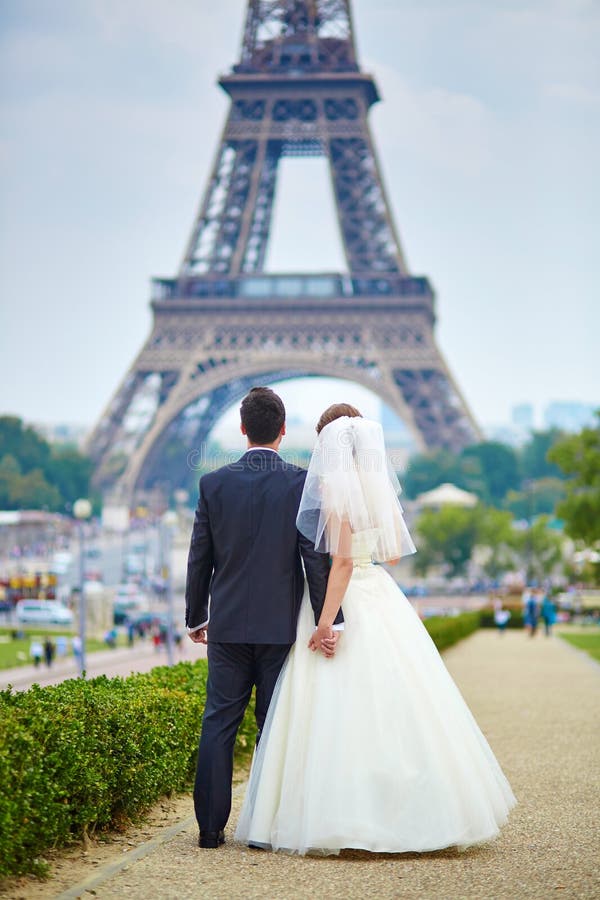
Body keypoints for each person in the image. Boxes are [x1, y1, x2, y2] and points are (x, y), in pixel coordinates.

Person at [235, 405, 516, 855]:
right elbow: (390, 554)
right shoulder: (376, 488)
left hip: (342, 600)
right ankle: (406, 808)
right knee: (393, 704)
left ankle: (337, 813)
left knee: (330, 708)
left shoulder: (335, 490)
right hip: (379, 595)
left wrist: (326, 621)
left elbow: (340, 563)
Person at [185, 387, 340, 850]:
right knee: (273, 726)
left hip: (228, 627)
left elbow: (200, 557)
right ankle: (265, 828)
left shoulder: (213, 484)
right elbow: (313, 558)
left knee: (218, 725)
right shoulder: (299, 483)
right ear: (284, 429)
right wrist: (330, 618)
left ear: (242, 428)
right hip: (279, 627)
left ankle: (210, 831)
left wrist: (197, 617)